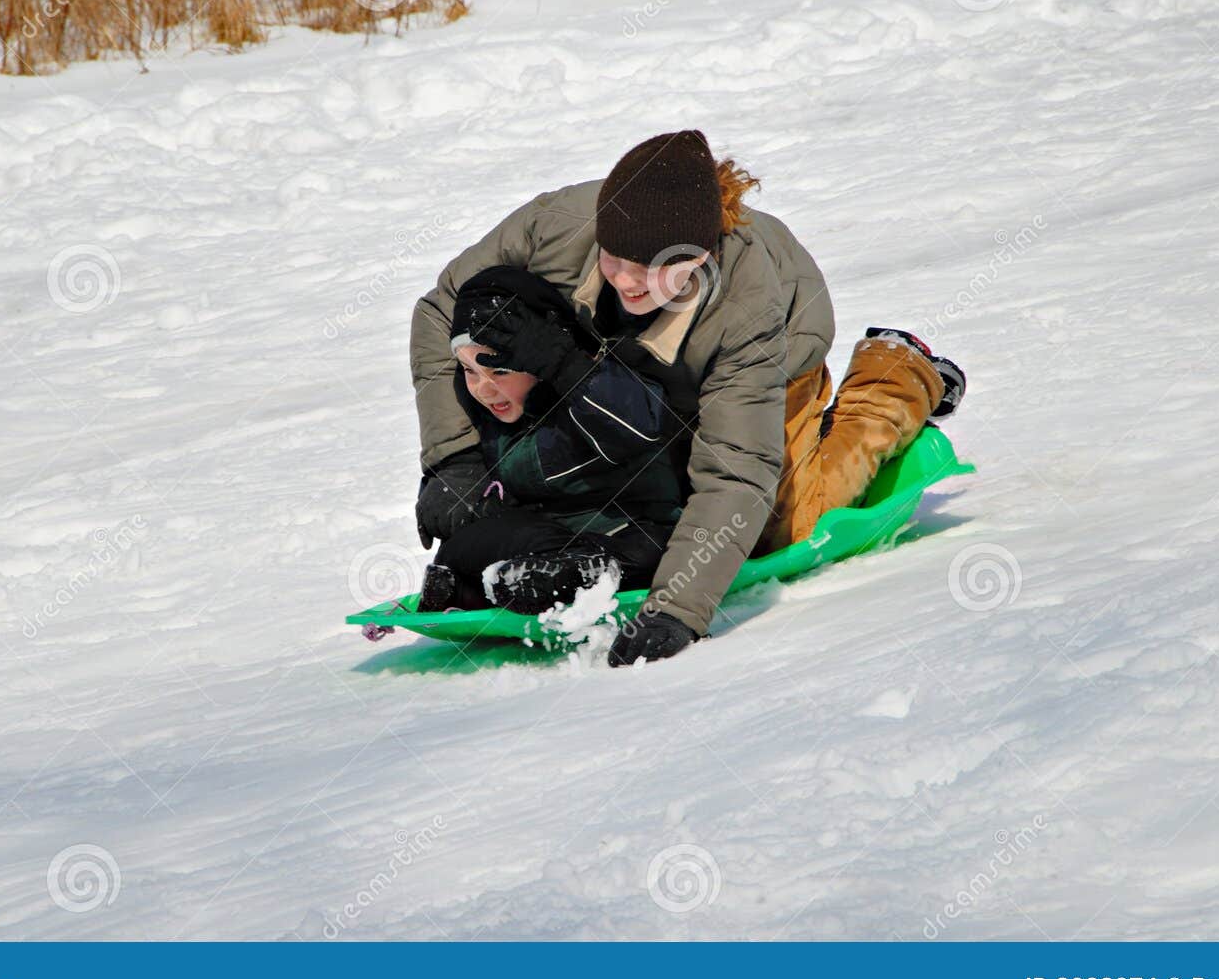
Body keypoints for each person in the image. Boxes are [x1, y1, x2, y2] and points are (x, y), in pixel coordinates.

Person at [411, 129, 964, 667]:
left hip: (772, 357)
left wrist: (678, 608)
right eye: (615, 259)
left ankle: (895, 374)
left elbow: (738, 470)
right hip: (619, 355)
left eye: (655, 267)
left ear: (697, 258)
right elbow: (442, 310)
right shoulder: (555, 225)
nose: (628, 282)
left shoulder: (749, 312)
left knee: (771, 526)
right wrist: (453, 460)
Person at [415, 265, 681, 616]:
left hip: (635, 530)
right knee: (461, 547)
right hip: (555, 535)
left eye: (499, 371)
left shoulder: (597, 385)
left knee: (648, 550)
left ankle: (577, 575)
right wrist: (454, 485)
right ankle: (481, 584)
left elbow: (639, 425)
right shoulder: (498, 410)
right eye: (469, 371)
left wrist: (565, 366)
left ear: (538, 358)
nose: (483, 387)